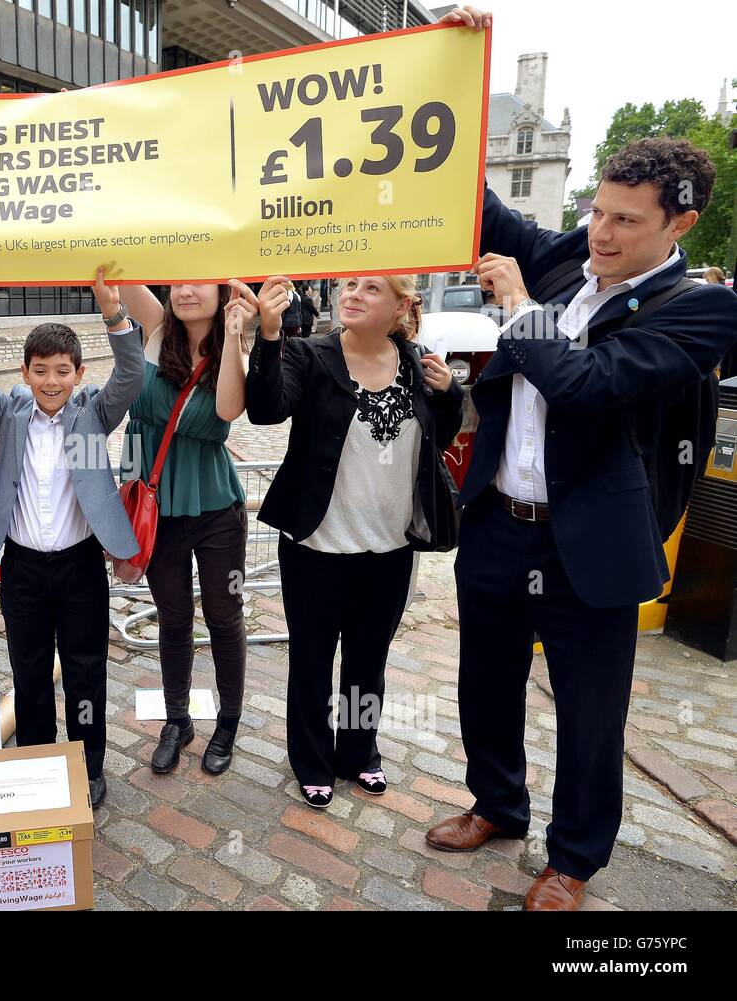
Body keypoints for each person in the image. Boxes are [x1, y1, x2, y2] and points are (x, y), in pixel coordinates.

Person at [427, 6, 737, 911]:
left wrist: (519, 310)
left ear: (677, 223)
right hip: (500, 519)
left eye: (624, 220)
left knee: (591, 713)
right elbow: (475, 204)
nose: (599, 232)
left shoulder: (700, 309)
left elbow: (592, 384)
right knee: (483, 677)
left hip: (589, 541)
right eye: (597, 210)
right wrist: (453, 72)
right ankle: (496, 804)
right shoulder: (570, 255)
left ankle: (573, 859)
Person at [246, 274, 462, 808]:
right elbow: (266, 409)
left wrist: (450, 393)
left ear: (400, 306)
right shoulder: (310, 355)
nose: (352, 294)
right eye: (349, 285)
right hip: (317, 547)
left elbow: (442, 435)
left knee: (368, 662)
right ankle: (312, 759)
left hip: (390, 550)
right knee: (313, 661)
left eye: (370, 288)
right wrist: (269, 336)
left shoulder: (416, 362)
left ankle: (359, 753)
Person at [0, 267, 145, 807]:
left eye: (61, 371)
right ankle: (36, 762)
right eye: (40, 371)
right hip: (24, 569)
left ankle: (86, 764)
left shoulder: (94, 412)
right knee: (29, 674)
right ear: (26, 374)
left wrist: (113, 313)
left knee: (85, 673)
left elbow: (132, 375)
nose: (51, 381)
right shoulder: (9, 412)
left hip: (80, 568)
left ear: (78, 373)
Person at [118, 279, 250, 776]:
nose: (186, 290)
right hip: (156, 510)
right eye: (178, 280)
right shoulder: (154, 330)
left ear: (224, 292)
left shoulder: (232, 347)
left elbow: (227, 412)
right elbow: (116, 266)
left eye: (200, 282)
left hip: (215, 506)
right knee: (172, 616)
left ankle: (228, 723)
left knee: (223, 615)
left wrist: (236, 336)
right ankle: (178, 720)